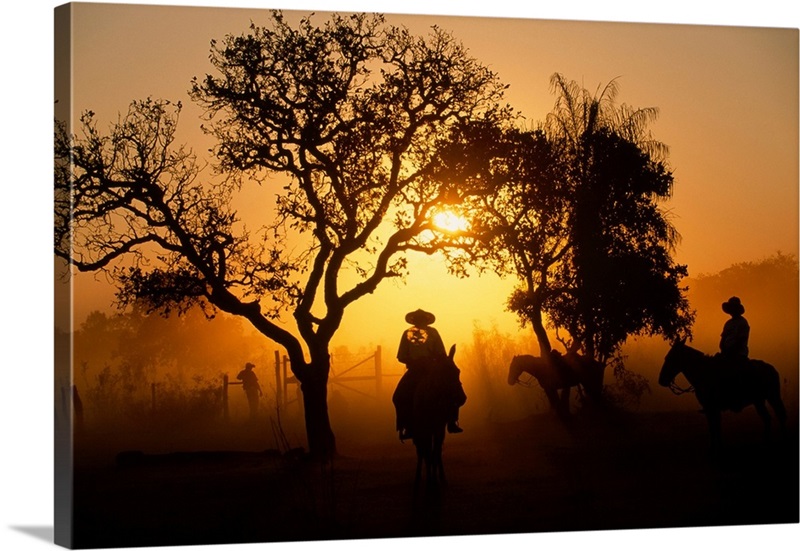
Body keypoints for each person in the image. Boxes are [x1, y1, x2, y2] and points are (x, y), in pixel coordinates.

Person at [393, 308, 465, 441]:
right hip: (415, 370)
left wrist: (434, 361)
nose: (420, 321)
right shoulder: (406, 333)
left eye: (422, 318)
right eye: (418, 319)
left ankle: (452, 421)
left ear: (426, 320)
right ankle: (407, 425)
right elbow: (401, 356)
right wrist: (414, 361)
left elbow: (441, 353)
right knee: (398, 396)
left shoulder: (433, 332)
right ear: (414, 320)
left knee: (452, 389)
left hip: (433, 368)